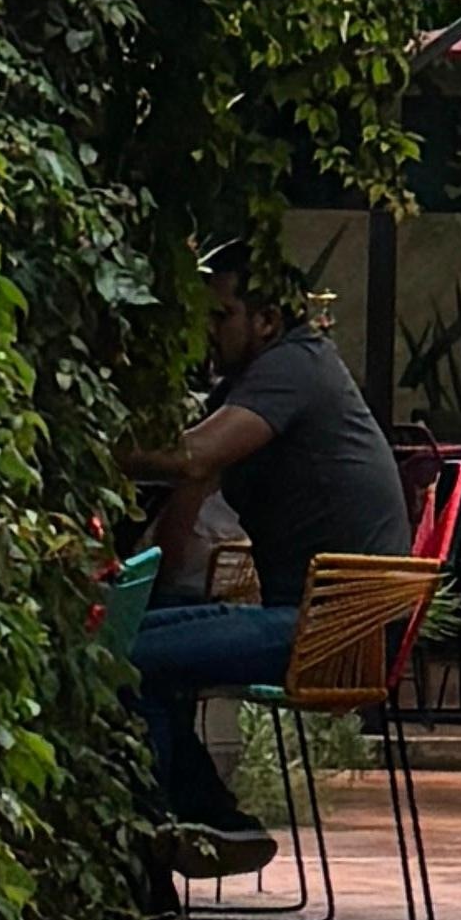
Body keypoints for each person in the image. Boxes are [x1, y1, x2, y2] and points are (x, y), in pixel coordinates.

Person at [133, 254, 415, 875]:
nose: (207, 331)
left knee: (122, 655)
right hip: (310, 617)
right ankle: (207, 824)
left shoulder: (293, 366)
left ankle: (167, 844)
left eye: (221, 316)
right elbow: (192, 484)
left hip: (335, 630)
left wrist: (89, 449)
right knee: (136, 639)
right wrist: (152, 588)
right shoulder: (255, 381)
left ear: (266, 320)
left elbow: (194, 456)